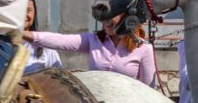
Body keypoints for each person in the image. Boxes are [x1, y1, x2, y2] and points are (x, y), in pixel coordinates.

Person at [24, 12, 156, 86]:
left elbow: (149, 90)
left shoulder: (144, 49)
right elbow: (61, 40)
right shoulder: (93, 39)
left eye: (112, 16)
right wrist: (22, 33)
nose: (106, 20)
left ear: (127, 17)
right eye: (104, 16)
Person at [21, 0, 61, 75]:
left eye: (28, 10)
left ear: (34, 13)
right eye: (19, 10)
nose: (23, 14)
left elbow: (58, 80)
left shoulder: (46, 47)